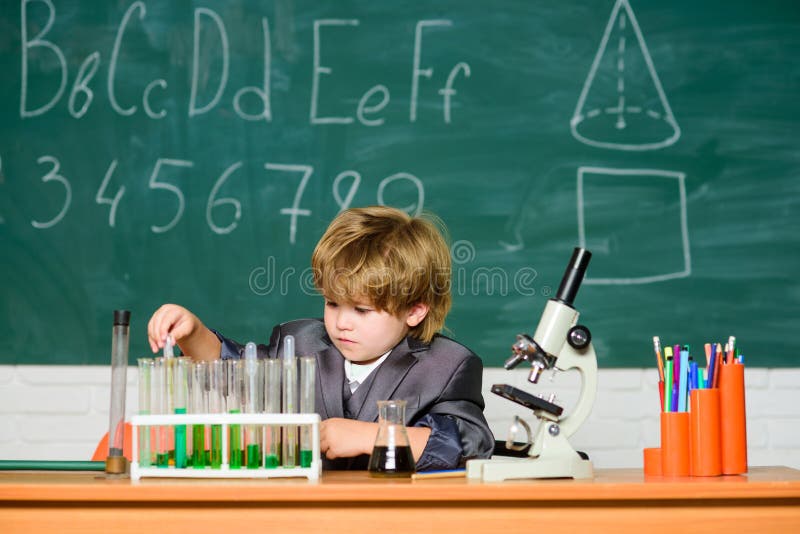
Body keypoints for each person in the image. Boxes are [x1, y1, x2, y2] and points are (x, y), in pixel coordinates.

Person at [147, 206, 494, 470]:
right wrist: (193, 333)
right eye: (332, 303)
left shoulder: (446, 366)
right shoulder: (300, 342)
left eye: (362, 310)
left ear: (414, 311)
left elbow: (471, 445)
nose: (341, 323)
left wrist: (373, 436)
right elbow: (234, 372)